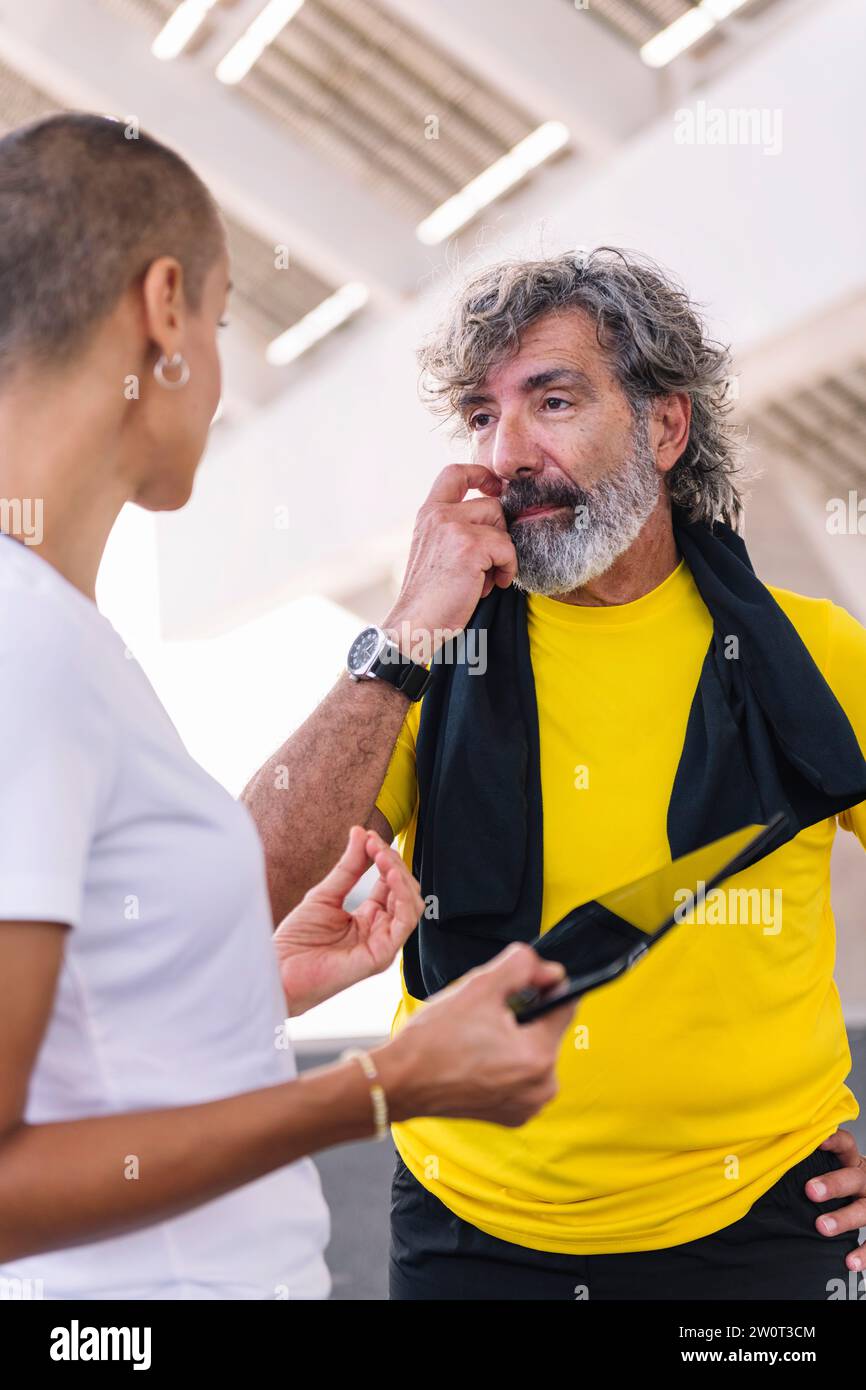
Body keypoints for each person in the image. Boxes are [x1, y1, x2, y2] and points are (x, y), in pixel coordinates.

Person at [0, 114, 577, 1302]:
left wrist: (248, 990)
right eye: (216, 323)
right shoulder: (27, 650)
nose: (213, 373)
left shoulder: (59, 635)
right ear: (164, 307)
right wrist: (383, 1085)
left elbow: (79, 1052)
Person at [245, 249, 866, 1300]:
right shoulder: (422, 661)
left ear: (664, 428)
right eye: (483, 419)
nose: (507, 455)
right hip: (469, 1233)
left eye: (552, 399)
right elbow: (244, 883)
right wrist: (405, 631)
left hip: (759, 1225)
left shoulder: (811, 656)